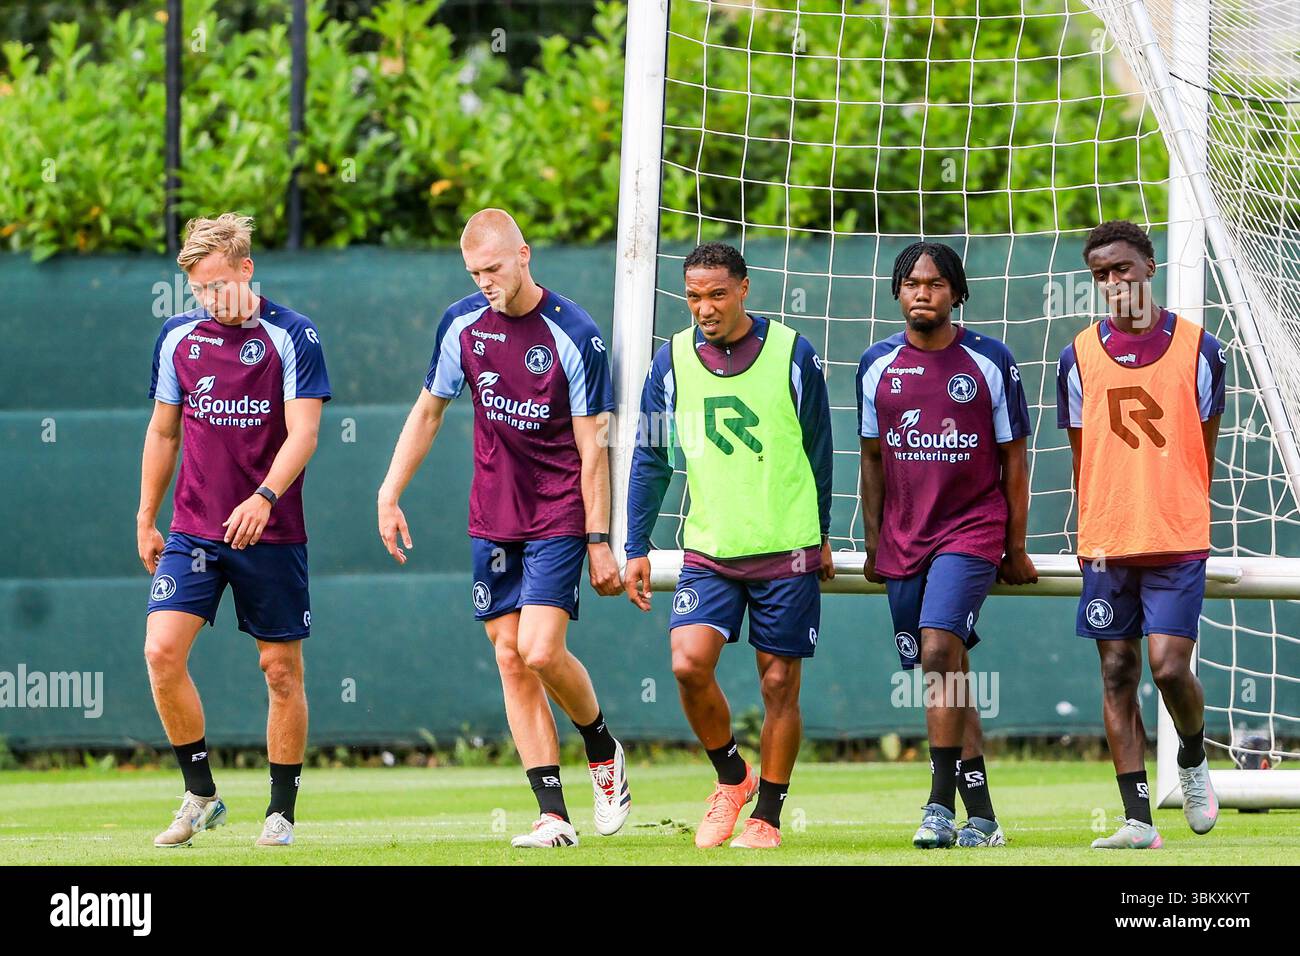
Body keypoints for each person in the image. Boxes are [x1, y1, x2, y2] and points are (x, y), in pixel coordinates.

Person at [377, 208, 628, 849]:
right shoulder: (462, 324)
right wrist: (390, 489)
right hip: (492, 515)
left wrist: (598, 540)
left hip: (557, 513)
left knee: (541, 650)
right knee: (510, 660)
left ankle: (603, 750)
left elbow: (592, 449)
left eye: (493, 268)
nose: (485, 281)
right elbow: (429, 411)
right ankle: (553, 815)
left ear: (525, 255)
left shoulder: (575, 335)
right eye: (474, 272)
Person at [624, 242, 835, 849]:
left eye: (716, 293)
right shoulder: (670, 363)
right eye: (693, 296)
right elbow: (651, 457)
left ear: (744, 289)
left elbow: (821, 450)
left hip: (785, 547)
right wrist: (636, 543)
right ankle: (731, 778)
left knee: (777, 686)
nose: (705, 307)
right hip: (710, 550)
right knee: (688, 663)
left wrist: (820, 532)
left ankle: (767, 815)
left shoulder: (794, 353)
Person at [139, 213, 330, 848]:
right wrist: (146, 515)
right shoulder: (177, 338)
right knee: (161, 652)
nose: (209, 299)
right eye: (198, 289)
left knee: (279, 670)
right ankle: (200, 794)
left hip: (270, 531)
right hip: (194, 531)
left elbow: (304, 431)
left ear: (246, 270)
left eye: (219, 284)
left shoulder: (294, 336)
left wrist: (265, 496)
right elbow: (165, 431)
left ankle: (281, 810)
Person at [858, 241, 1036, 849]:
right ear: (897, 293)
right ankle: (982, 816)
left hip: (973, 527)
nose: (922, 293)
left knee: (938, 651)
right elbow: (872, 457)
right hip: (905, 536)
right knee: (947, 670)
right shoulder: (877, 365)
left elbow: (1015, 458)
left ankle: (936, 803)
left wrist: (1015, 545)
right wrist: (873, 538)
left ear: (956, 292)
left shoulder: (990, 360)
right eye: (911, 283)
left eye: (935, 283)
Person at [1058, 219, 1225, 848]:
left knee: (1168, 666)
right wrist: (1094, 522)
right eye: (1101, 274)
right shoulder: (1077, 355)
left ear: (1149, 268)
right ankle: (1138, 821)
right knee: (1117, 669)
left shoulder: (1200, 348)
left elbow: (1199, 448)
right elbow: (1084, 454)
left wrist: (1170, 498)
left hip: (1176, 532)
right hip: (1106, 538)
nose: (1113, 282)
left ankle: (1191, 755)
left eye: (1123, 268)